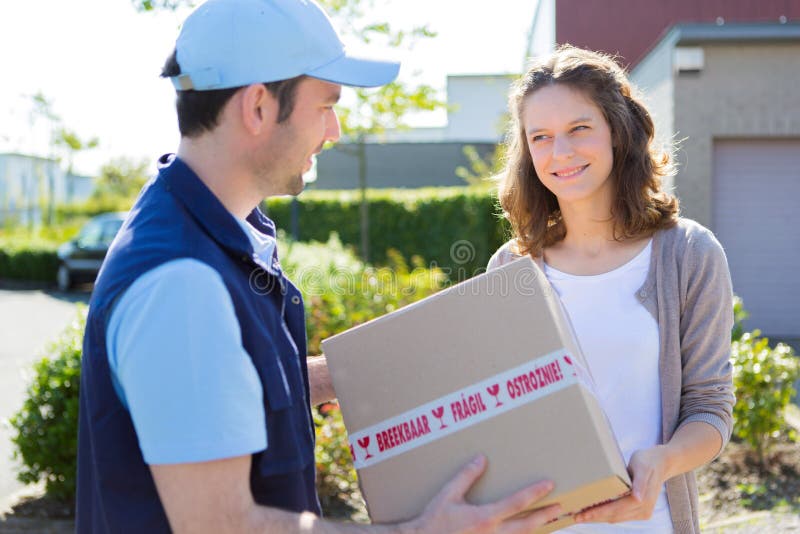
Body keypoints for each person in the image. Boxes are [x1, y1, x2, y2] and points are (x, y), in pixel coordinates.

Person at [75, 0, 563, 532]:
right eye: (326, 105)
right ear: (258, 106)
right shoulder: (181, 282)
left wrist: (376, 371)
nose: (334, 131)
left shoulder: (219, 231)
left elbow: (235, 382)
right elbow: (222, 524)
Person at [487, 45, 735, 533]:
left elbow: (710, 409)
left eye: (579, 129)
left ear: (618, 133)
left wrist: (661, 461)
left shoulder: (688, 254)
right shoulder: (509, 270)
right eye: (541, 137)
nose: (561, 153)